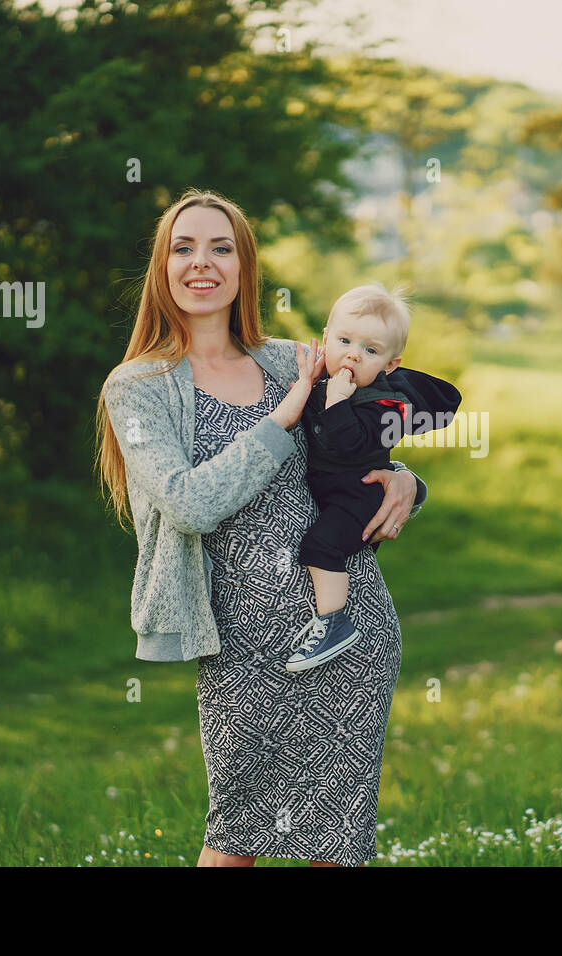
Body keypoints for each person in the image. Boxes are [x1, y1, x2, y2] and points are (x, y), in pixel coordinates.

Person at [95, 189, 426, 867]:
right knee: (235, 840)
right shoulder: (137, 387)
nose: (202, 262)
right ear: (162, 267)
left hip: (346, 631)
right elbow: (189, 503)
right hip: (239, 645)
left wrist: (409, 482)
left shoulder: (290, 362)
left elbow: (367, 434)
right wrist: (278, 425)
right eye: (183, 247)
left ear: (244, 267)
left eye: (221, 247)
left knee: (337, 843)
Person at [287, 282, 461, 672]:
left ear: (390, 364)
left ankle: (333, 622)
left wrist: (337, 402)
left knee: (321, 547)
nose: (352, 355)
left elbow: (348, 444)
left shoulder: (385, 405)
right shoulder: (318, 380)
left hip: (359, 495)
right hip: (331, 491)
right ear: (326, 338)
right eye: (344, 340)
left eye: (370, 350)